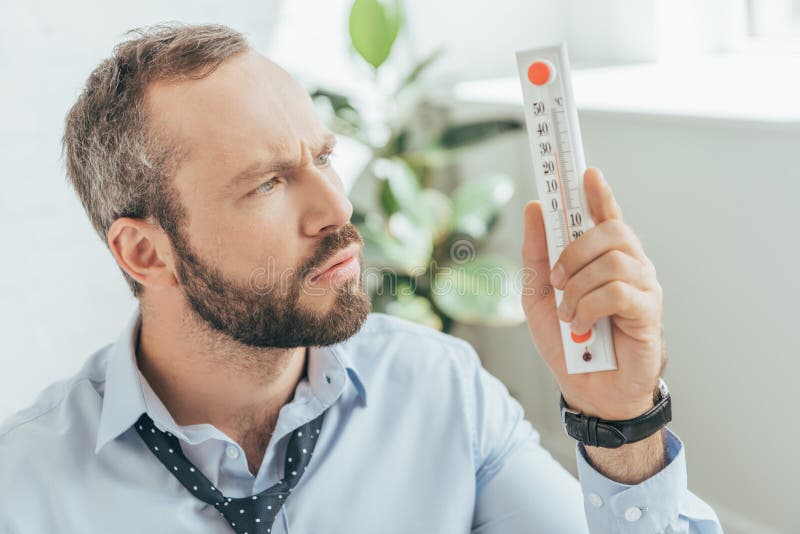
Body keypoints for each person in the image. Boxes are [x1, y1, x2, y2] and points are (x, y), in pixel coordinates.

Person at [0, 23, 723, 533]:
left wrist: (623, 424)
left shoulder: (442, 391)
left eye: (323, 157)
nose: (337, 207)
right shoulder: (24, 492)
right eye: (267, 183)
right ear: (145, 253)